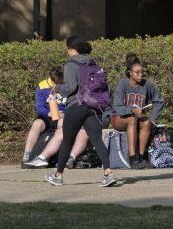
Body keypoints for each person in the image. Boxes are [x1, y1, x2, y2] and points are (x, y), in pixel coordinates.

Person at [44, 37, 119, 188]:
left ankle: (58, 176)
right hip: (93, 107)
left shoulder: (71, 64)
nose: (67, 52)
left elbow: (70, 88)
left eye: (68, 49)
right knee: (97, 140)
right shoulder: (92, 63)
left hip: (76, 106)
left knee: (67, 140)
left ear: (72, 49)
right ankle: (108, 173)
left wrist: (56, 88)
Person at [111, 56, 166, 169]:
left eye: (142, 72)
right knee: (132, 119)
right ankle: (133, 159)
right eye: (137, 72)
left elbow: (159, 100)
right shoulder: (122, 84)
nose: (140, 75)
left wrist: (153, 118)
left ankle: (141, 157)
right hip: (119, 118)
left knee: (146, 122)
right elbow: (118, 107)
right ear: (130, 73)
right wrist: (131, 109)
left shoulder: (147, 85)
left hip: (137, 118)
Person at [27, 74, 93, 169]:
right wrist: (49, 113)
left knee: (62, 125)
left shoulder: (73, 86)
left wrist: (66, 113)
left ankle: (58, 158)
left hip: (66, 116)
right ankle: (27, 156)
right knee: (37, 124)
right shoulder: (42, 86)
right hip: (49, 114)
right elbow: (39, 108)